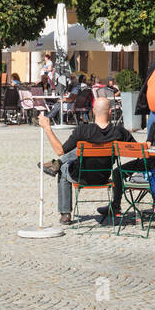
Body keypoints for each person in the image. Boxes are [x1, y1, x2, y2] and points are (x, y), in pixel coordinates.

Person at [39, 95, 135, 225]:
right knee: (82, 149)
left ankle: (65, 214)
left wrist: (47, 128)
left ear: (93, 111)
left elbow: (60, 151)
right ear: (110, 112)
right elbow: (135, 150)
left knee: (63, 168)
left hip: (81, 177)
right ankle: (57, 163)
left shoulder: (83, 130)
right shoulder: (119, 132)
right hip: (103, 177)